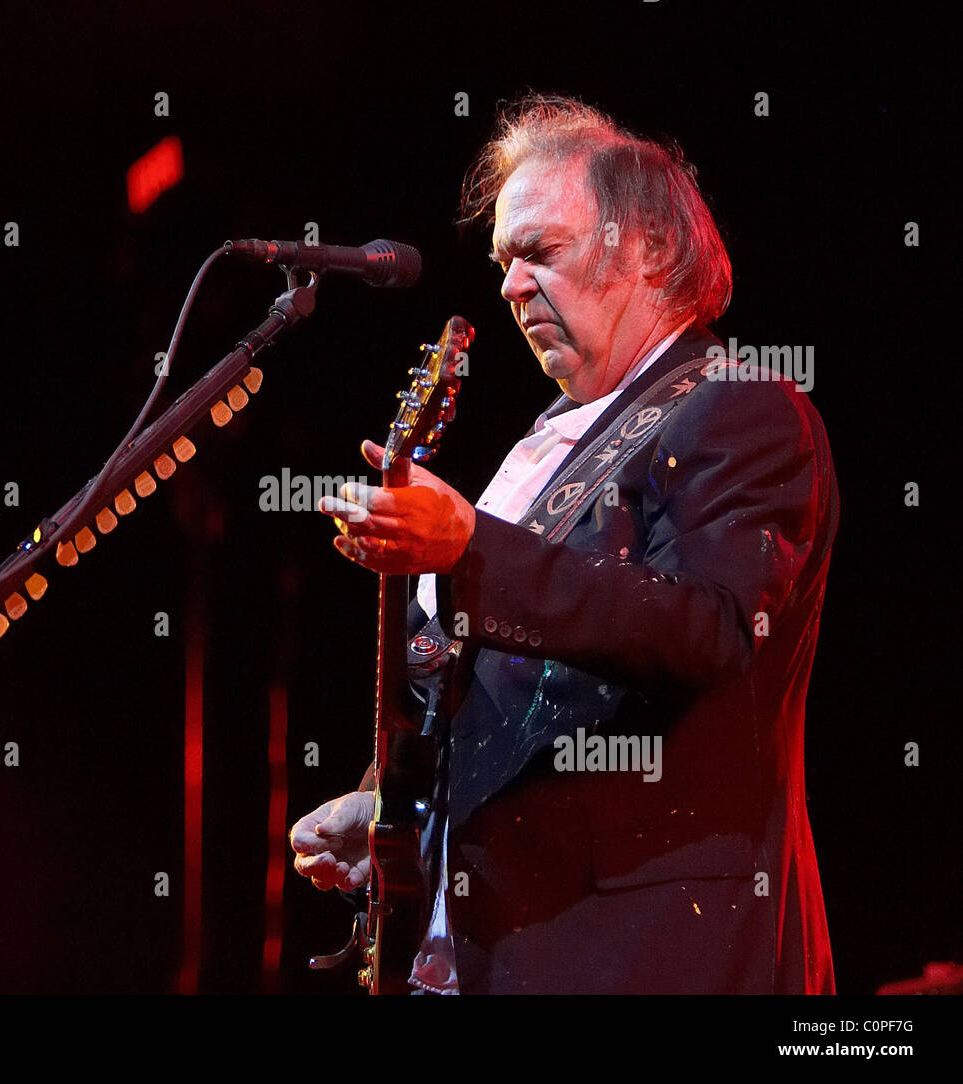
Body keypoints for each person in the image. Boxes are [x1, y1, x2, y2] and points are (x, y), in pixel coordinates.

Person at [290, 93, 838, 994]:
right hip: (496, 952)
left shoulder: (741, 408)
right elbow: (512, 696)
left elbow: (712, 628)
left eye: (541, 251)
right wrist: (399, 809)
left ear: (650, 249)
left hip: (644, 949)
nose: (508, 284)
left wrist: (468, 548)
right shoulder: (550, 440)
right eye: (504, 260)